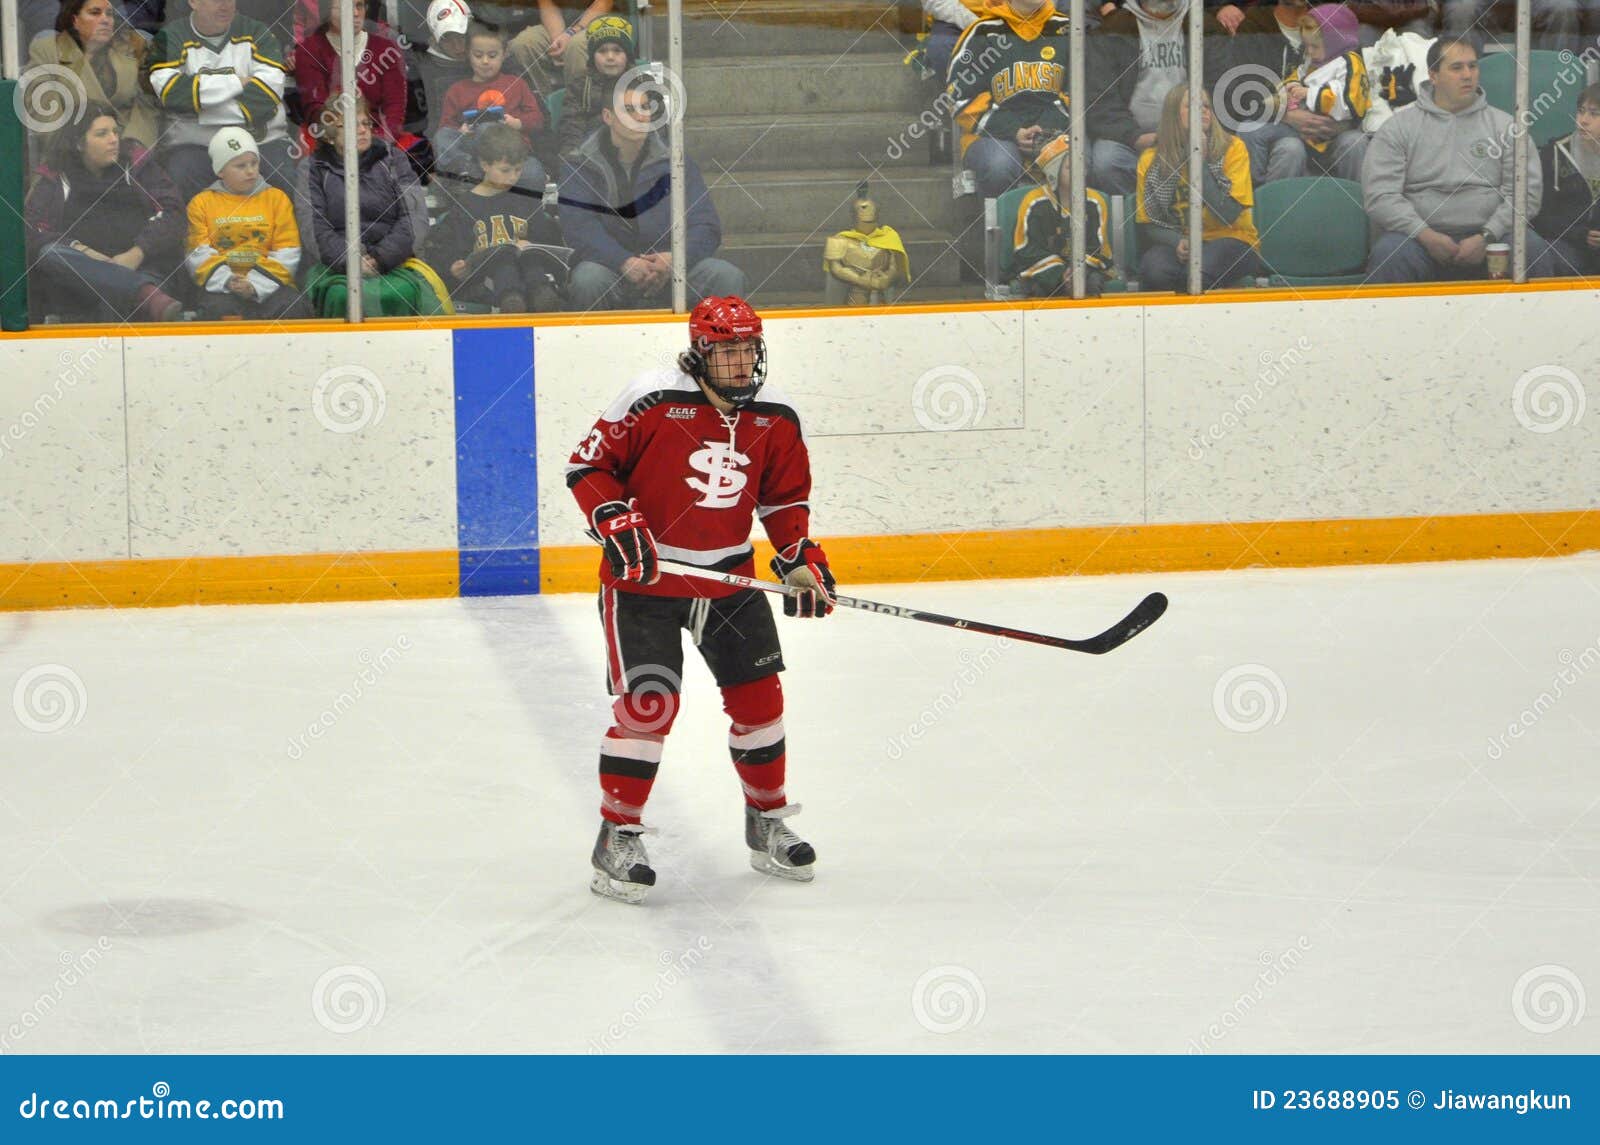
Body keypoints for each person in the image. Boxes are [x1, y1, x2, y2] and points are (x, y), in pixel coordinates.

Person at [565, 294, 833, 904]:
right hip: (646, 583)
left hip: (729, 582)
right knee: (651, 706)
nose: (741, 366)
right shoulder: (653, 397)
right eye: (728, 352)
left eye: (749, 351)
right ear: (700, 352)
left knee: (761, 701)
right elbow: (588, 466)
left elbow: (784, 502)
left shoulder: (777, 417)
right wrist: (614, 516)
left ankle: (766, 820)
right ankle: (618, 833)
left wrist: (798, 559)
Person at [1362, 37, 1561, 283]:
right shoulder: (1397, 128)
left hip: (1493, 238)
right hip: (1417, 240)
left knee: (1530, 249)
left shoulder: (1507, 127)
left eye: (1473, 66)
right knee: (1389, 254)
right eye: (1457, 68)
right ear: (1433, 75)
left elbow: (1525, 195)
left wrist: (1486, 236)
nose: (1467, 74)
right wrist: (1425, 235)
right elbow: (1380, 196)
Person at [559, 77, 747, 310]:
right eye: (629, 110)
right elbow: (579, 228)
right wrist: (623, 261)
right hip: (611, 269)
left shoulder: (676, 161)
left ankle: (723, 346)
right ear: (608, 117)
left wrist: (675, 259)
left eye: (645, 107)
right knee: (588, 280)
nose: (639, 117)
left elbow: (705, 224)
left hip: (673, 268)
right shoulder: (579, 165)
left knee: (725, 276)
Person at [24, 102, 186, 322]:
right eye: (102, 134)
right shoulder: (56, 175)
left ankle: (137, 290)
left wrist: (137, 253)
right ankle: (142, 293)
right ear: (79, 143)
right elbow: (32, 229)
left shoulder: (138, 165)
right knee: (50, 253)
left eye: (115, 132)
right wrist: (82, 251)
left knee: (114, 301)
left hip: (142, 269)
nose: (114, 139)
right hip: (83, 280)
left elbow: (173, 212)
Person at [303, 94, 451, 315]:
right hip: (337, 267)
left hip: (394, 263)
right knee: (342, 296)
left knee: (407, 292)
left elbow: (414, 217)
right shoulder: (313, 168)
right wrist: (351, 262)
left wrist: (381, 258)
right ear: (331, 137)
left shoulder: (393, 159)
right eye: (350, 126)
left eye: (365, 123)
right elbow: (313, 227)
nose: (363, 130)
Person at [1090, 0, 1229, 195]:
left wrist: (1196, 130)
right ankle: (1142, 219)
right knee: (1107, 161)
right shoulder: (1112, 29)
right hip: (1132, 137)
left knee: (1233, 150)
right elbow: (1099, 97)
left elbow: (1222, 88)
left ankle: (1189, 217)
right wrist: (1135, 137)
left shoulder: (1204, 26)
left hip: (1194, 133)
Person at [424, 123, 568, 311]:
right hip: (485, 285)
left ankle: (543, 295)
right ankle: (511, 300)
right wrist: (453, 268)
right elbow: (447, 247)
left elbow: (548, 239)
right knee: (503, 262)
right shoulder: (466, 205)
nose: (512, 177)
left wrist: (532, 244)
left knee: (529, 260)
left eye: (518, 170)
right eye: (505, 170)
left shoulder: (526, 201)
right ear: (485, 165)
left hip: (530, 276)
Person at [1136, 85, 1262, 290]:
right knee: (1154, 270)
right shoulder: (1151, 160)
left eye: (1206, 106)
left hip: (1232, 240)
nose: (1203, 110)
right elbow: (1150, 223)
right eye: (1193, 106)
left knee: (1197, 272)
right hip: (1183, 242)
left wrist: (1199, 163)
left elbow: (1228, 214)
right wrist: (1177, 241)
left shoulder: (1233, 148)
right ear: (1173, 114)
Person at [945, 0, 1071, 198]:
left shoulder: (1068, 30)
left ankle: (1064, 226)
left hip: (1057, 131)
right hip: (992, 136)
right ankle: (1001, 227)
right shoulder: (982, 32)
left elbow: (1086, 93)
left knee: (1080, 162)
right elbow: (959, 98)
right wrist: (1012, 130)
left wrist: (1047, 129)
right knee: (1000, 166)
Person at [184, 126, 308, 320]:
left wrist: (255, 285)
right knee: (219, 311)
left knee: (293, 306)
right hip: (223, 288)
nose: (250, 171)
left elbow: (288, 251)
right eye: (240, 166)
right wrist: (229, 280)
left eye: (254, 163)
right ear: (220, 171)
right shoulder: (201, 203)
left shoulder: (277, 198)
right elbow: (198, 255)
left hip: (271, 285)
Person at [24, 0, 158, 150]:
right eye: (95, 13)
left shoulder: (134, 47)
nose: (105, 20)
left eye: (109, 14)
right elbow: (45, 115)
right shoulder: (47, 51)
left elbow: (148, 104)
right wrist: (81, 150)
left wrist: (135, 143)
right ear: (75, 20)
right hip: (73, 155)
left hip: (128, 151)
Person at [435, 21, 550, 192]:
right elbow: (446, 127)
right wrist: (461, 130)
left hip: (512, 154)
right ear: (468, 54)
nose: (485, 61)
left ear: (504, 54)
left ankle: (479, 179)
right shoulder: (457, 90)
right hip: (474, 156)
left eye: (492, 55)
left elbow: (538, 119)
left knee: (534, 175)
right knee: (442, 136)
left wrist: (517, 123)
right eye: (478, 55)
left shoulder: (516, 84)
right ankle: (467, 172)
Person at [1273, 4, 1370, 182]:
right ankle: (1278, 204)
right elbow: (1293, 77)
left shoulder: (1350, 63)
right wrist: (1291, 86)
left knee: (1355, 143)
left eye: (1315, 46)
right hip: (1303, 136)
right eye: (1307, 45)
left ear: (1336, 41)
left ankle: (1358, 201)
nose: (1309, 51)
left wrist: (1309, 94)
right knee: (1288, 147)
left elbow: (1350, 103)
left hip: (1337, 136)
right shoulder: (1311, 60)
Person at [1012, 133, 1115, 296]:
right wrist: (1060, 273)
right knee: (1039, 288)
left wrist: (1077, 270)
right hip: (1044, 271)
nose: (1079, 171)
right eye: (1070, 167)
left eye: (1082, 165)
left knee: (1093, 283)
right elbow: (1026, 250)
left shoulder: (1095, 201)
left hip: (1085, 270)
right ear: (1053, 171)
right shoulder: (1034, 202)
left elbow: (1099, 249)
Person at [294, 0, 408, 143]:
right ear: (328, 11)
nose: (355, 13)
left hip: (380, 144)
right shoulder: (309, 51)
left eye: (359, 6)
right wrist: (343, 141)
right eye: (346, 7)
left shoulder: (386, 49)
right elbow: (316, 110)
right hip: (332, 143)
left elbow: (395, 110)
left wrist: (373, 141)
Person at [1533, 83, 1600, 277]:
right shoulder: (1555, 153)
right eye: (1581, 112)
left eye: (1594, 114)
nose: (1583, 120)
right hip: (1567, 245)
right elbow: (1539, 216)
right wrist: (1580, 235)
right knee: (1543, 252)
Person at [555, 12, 633, 159]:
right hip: (591, 152)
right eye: (602, 51)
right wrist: (571, 155)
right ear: (592, 57)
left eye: (617, 50)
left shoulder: (641, 83)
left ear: (628, 55)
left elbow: (654, 125)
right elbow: (572, 124)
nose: (610, 57)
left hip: (633, 148)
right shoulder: (581, 85)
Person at [506, 0, 616, 93]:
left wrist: (571, 33)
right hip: (562, 24)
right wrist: (558, 39)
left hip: (603, 23)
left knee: (576, 45)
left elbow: (604, 3)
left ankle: (579, 106)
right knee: (524, 44)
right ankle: (545, 105)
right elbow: (548, 5)